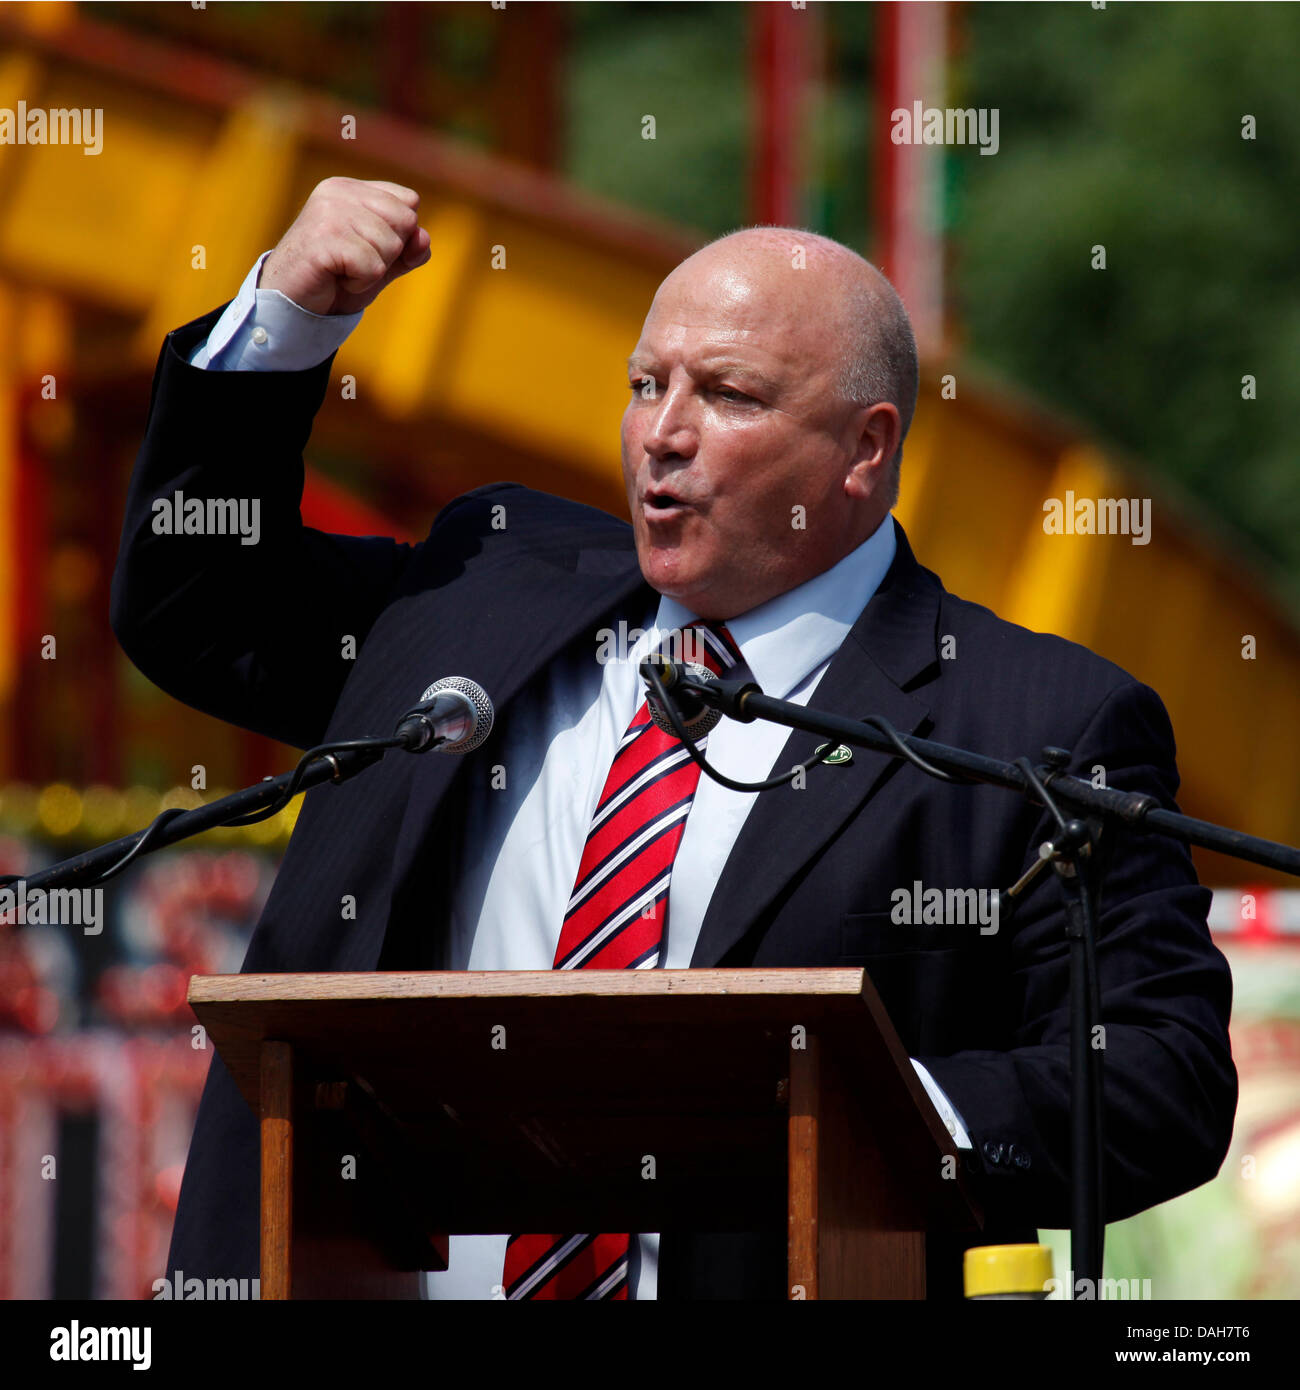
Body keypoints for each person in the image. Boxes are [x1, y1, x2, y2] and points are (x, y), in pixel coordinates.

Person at [110, 177, 1236, 1300]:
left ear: (864, 447)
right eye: (646, 385)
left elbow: (1156, 1078)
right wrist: (289, 320)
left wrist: (880, 1117)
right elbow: (198, 607)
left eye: (729, 395)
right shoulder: (485, 583)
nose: (663, 434)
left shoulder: (1036, 722)